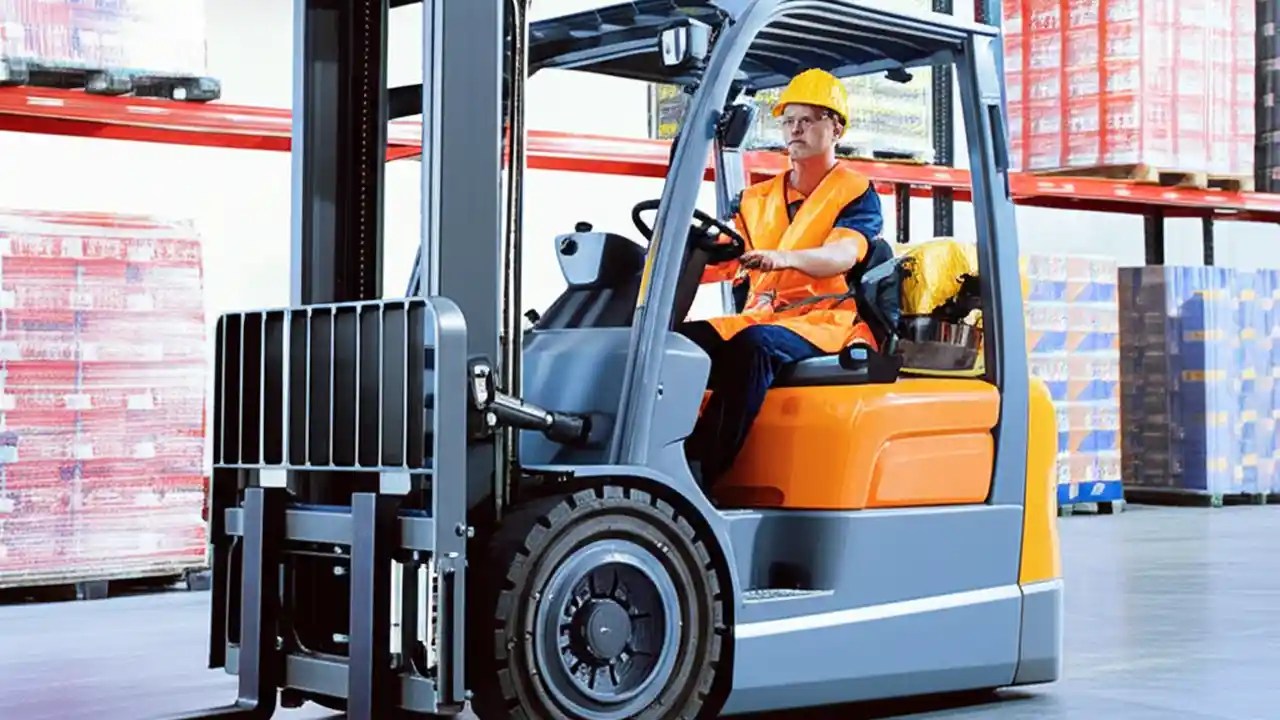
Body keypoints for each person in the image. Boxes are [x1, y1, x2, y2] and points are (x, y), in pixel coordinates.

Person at [679, 68, 884, 487]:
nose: (795, 129)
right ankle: (659, 452)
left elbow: (842, 255)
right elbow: (723, 252)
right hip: (762, 315)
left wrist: (782, 258)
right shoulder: (756, 198)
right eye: (789, 120)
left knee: (754, 348)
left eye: (807, 120)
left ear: (836, 128)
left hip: (821, 322)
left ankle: (699, 470)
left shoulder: (854, 191)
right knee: (676, 344)